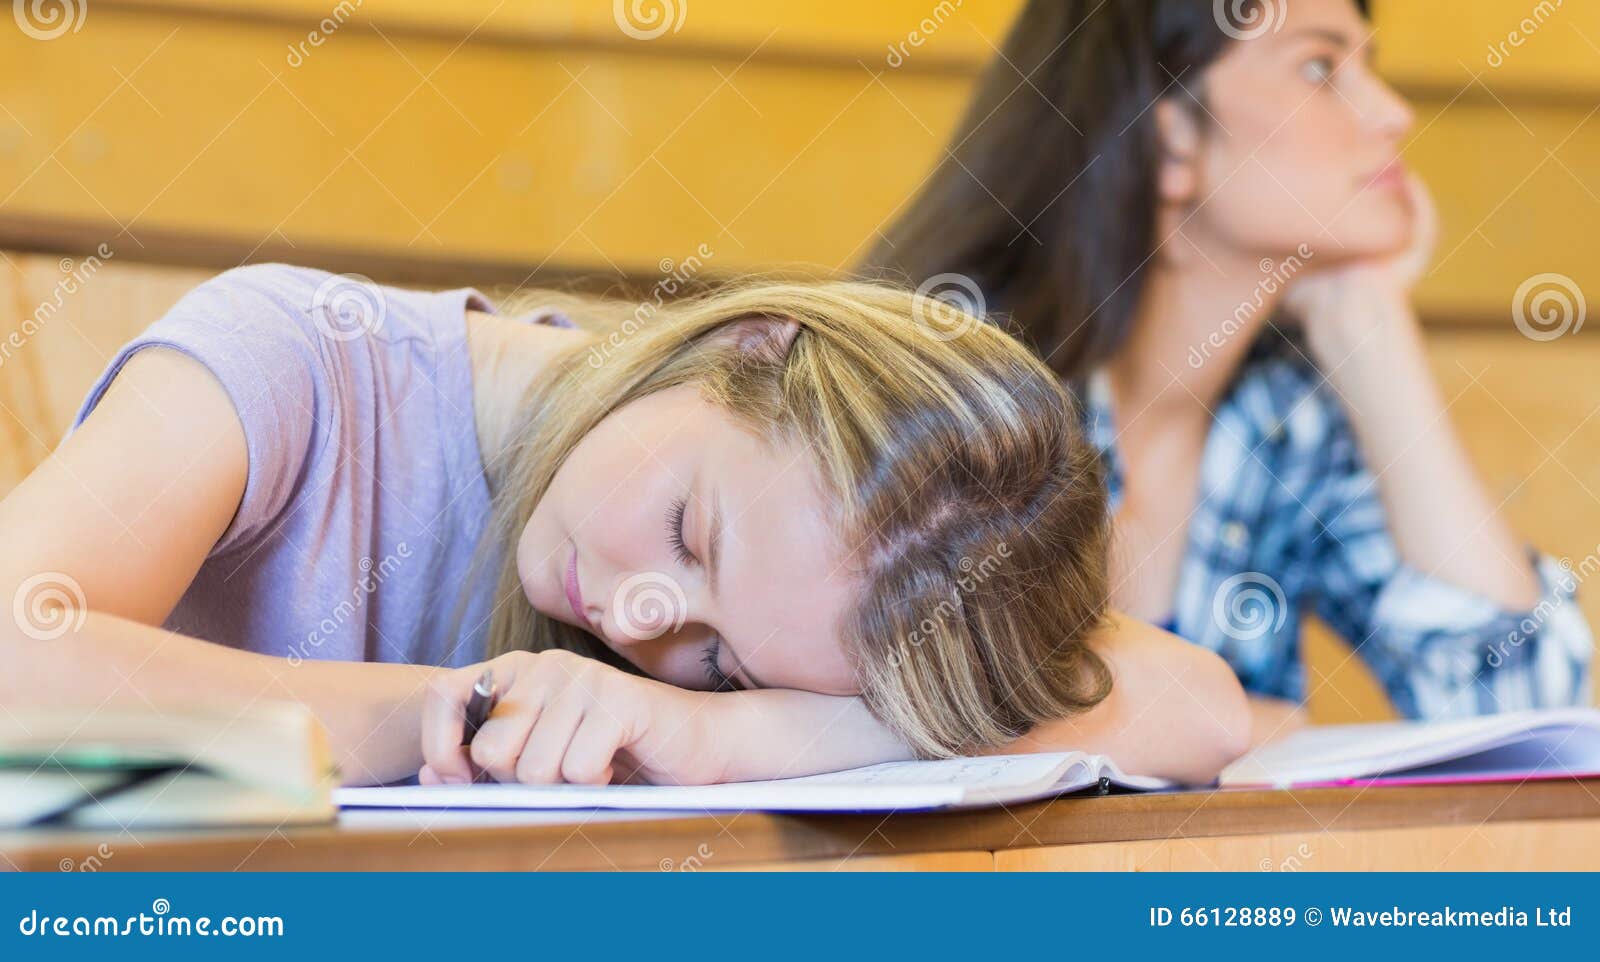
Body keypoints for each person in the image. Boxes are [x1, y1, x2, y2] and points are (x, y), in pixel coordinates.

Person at [0, 263, 1249, 787]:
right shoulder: (298, 358)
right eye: (688, 532)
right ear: (744, 346)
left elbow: (1197, 703)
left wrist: (710, 732)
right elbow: (17, 652)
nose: (644, 615)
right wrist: (472, 712)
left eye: (717, 653)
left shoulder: (718, 637)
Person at [867, 0, 1592, 742]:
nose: (1394, 114)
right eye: (1320, 66)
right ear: (1172, 136)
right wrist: (1238, 721)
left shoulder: (1287, 420)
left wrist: (1365, 320)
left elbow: (1527, 719)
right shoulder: (952, 397)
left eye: (1368, 67)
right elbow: (927, 725)